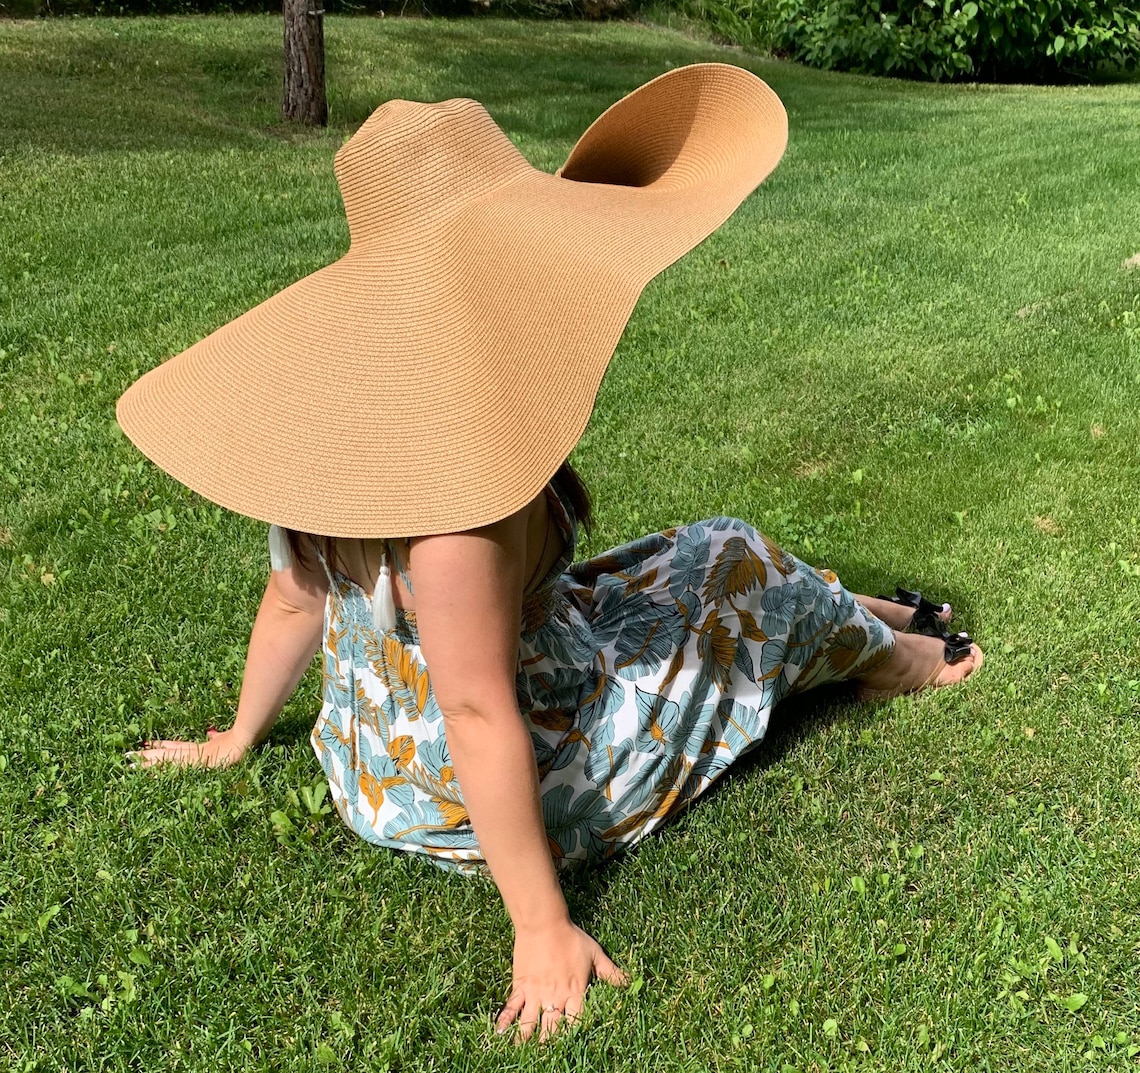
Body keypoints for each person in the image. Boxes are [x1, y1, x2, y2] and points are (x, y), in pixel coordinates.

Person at [117, 64, 983, 1041]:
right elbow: (481, 710)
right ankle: (892, 659)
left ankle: (855, 612)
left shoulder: (335, 446)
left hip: (370, 760)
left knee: (689, 560)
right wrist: (540, 925)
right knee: (731, 556)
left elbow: (290, 600)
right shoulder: (457, 495)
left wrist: (238, 735)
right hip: (475, 780)